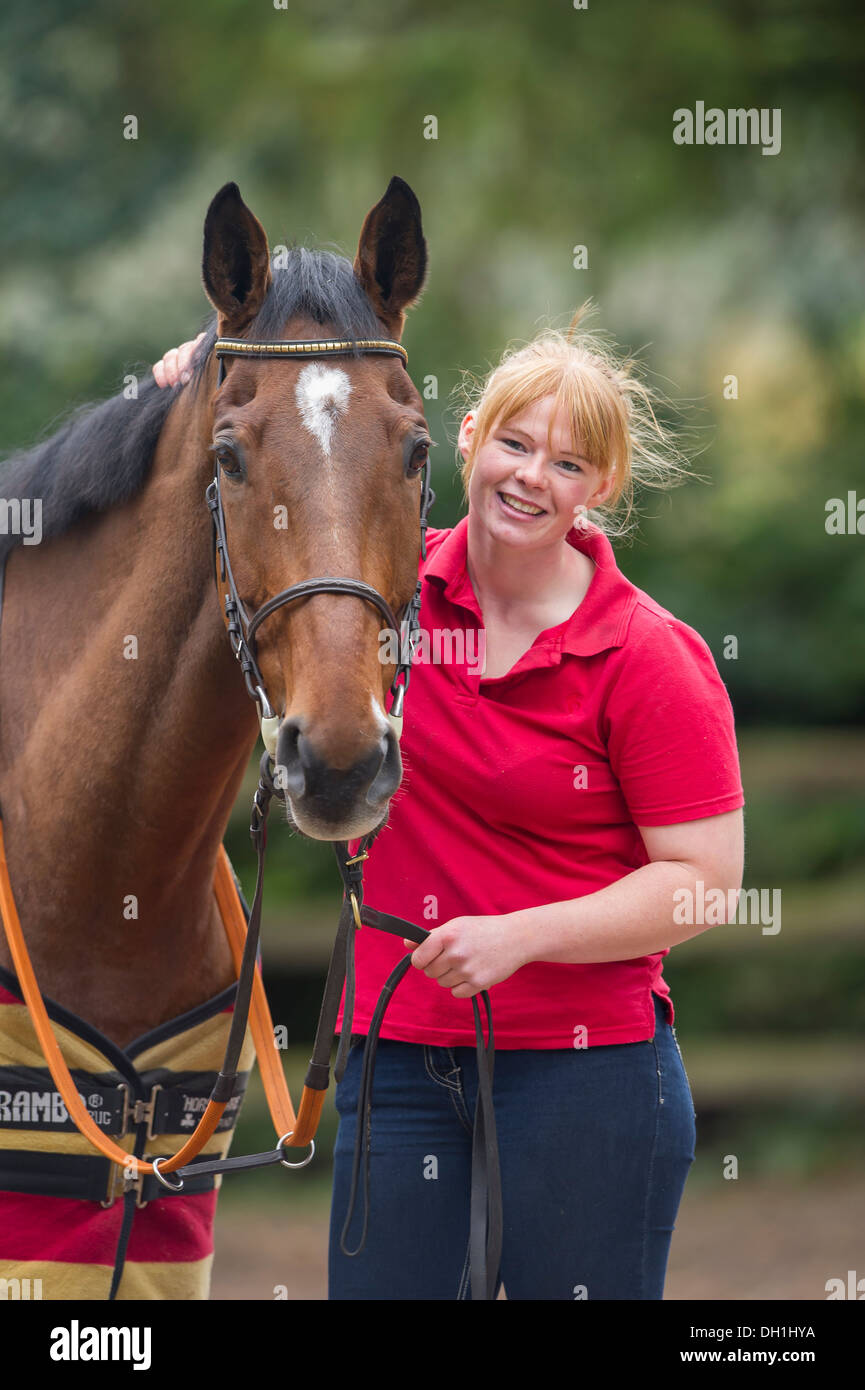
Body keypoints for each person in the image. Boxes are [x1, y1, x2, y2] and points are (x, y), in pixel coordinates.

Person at [154, 310, 744, 1301]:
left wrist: (518, 938)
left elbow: (704, 887)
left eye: (566, 463)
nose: (529, 475)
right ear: (467, 437)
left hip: (588, 1075)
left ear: (600, 487)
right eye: (514, 442)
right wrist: (189, 380)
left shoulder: (646, 655)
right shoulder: (374, 601)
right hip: (397, 1062)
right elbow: (239, 500)